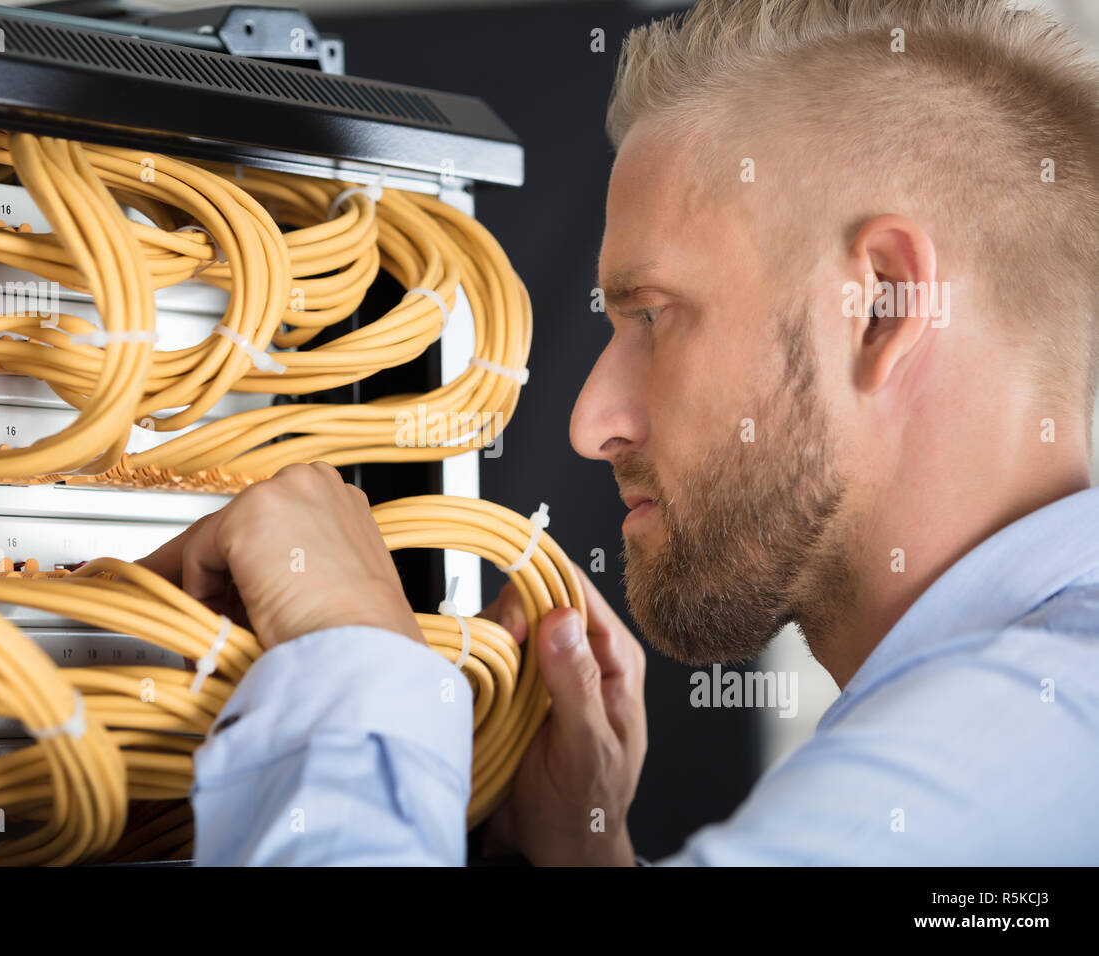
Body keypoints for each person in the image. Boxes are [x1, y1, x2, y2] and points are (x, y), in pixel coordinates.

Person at [138, 0, 1099, 865]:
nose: (591, 421)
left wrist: (345, 653)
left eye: (650, 315)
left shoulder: (1031, 726)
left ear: (881, 306)